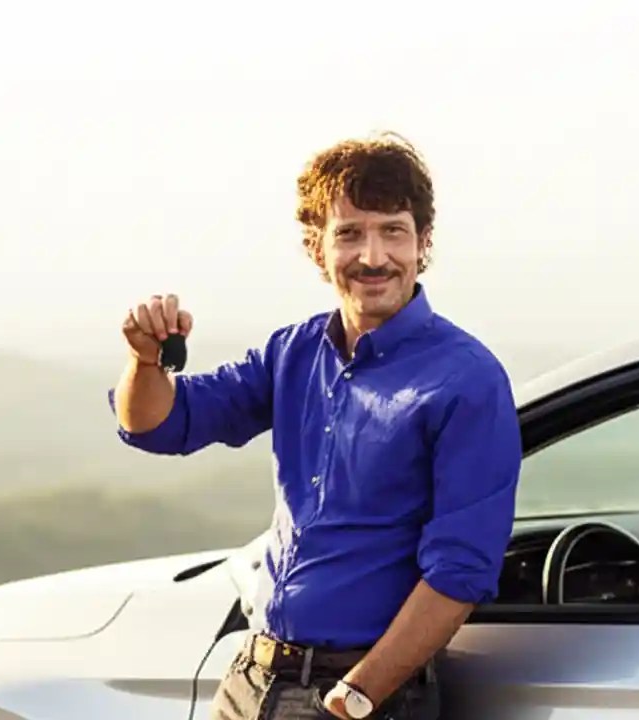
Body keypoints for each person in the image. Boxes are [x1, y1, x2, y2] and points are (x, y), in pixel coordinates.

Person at [109, 133, 522, 720]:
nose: (373, 257)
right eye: (349, 233)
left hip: (362, 697)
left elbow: (461, 571)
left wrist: (357, 695)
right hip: (252, 680)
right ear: (316, 247)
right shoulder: (293, 353)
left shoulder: (467, 380)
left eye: (393, 232)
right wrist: (145, 360)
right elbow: (161, 425)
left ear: (423, 243)